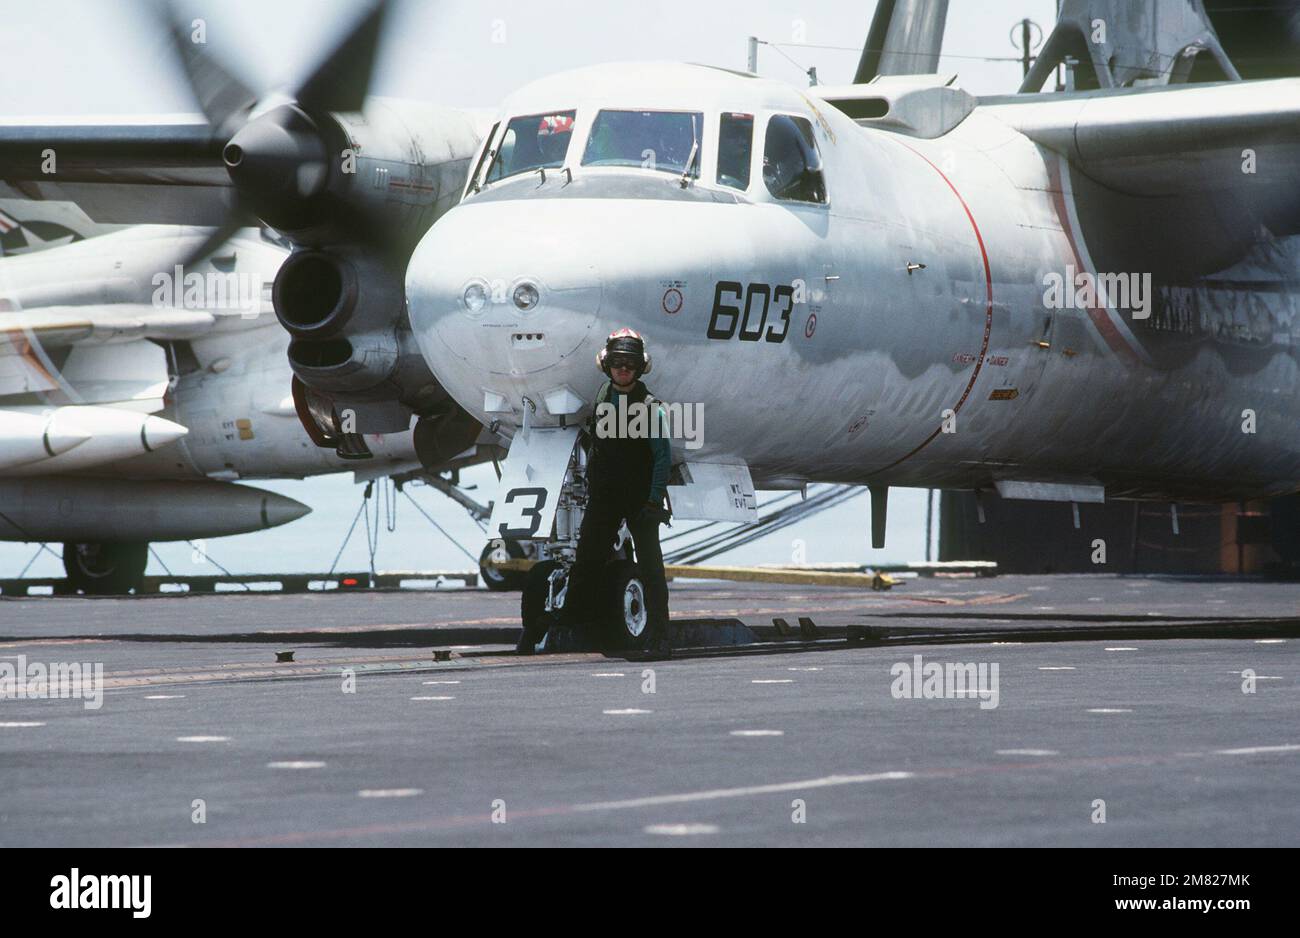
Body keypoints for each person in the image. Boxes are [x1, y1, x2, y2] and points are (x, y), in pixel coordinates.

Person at [535, 328, 673, 657]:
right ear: (606, 364)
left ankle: (659, 637)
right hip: (606, 496)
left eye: (629, 363)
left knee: (652, 568)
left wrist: (654, 500)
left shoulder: (652, 408)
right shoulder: (602, 397)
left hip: (641, 499)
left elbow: (662, 458)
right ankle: (574, 623)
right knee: (587, 560)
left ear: (640, 367)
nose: (623, 369)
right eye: (617, 362)